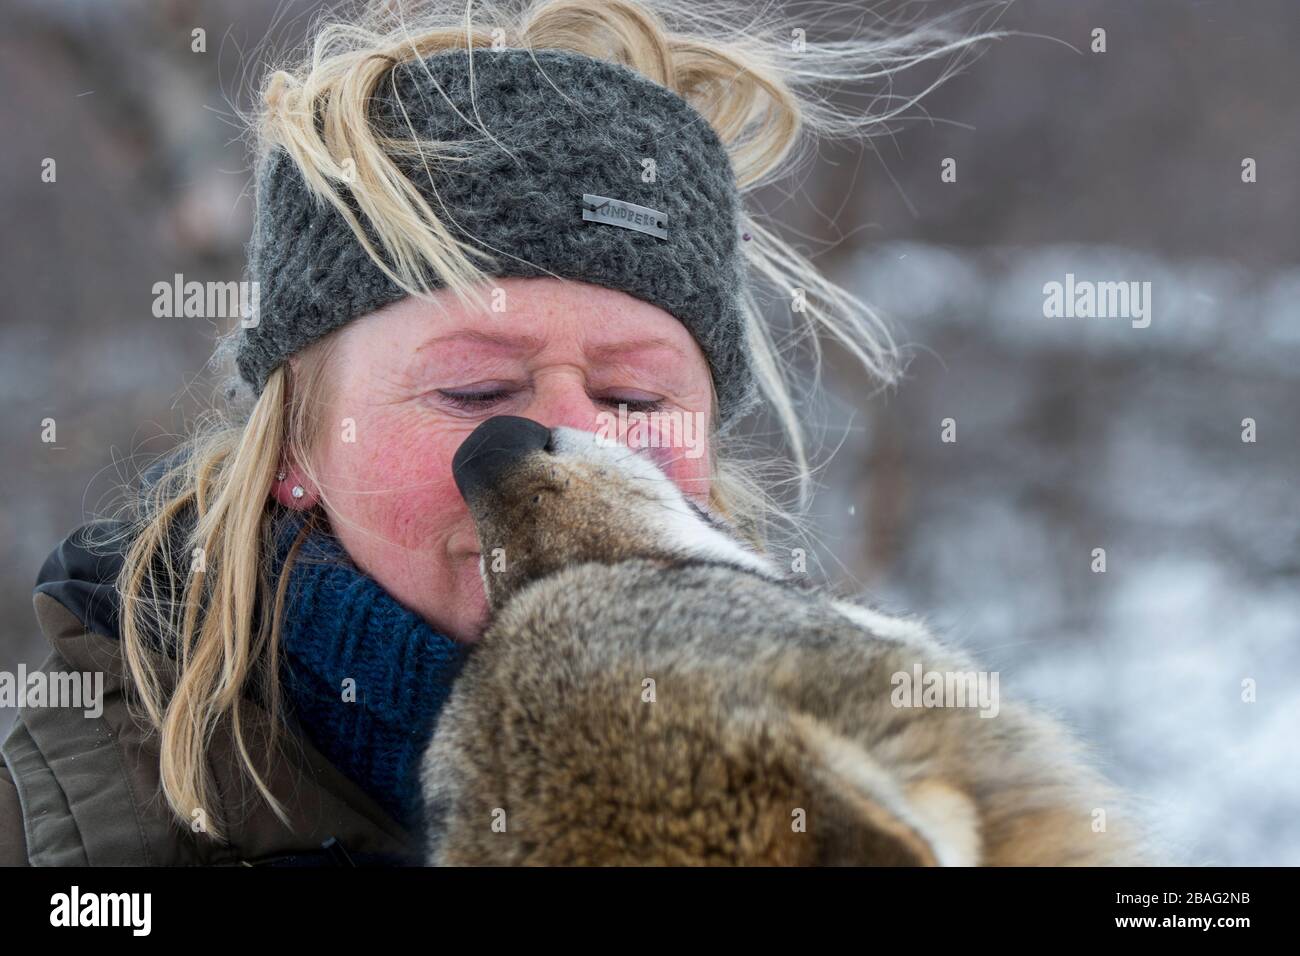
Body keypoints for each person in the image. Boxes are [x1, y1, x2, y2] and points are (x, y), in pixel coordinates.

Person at [0, 0, 992, 865]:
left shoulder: (878, 801)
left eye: (637, 399)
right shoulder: (56, 835)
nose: (571, 446)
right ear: (298, 451)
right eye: (474, 390)